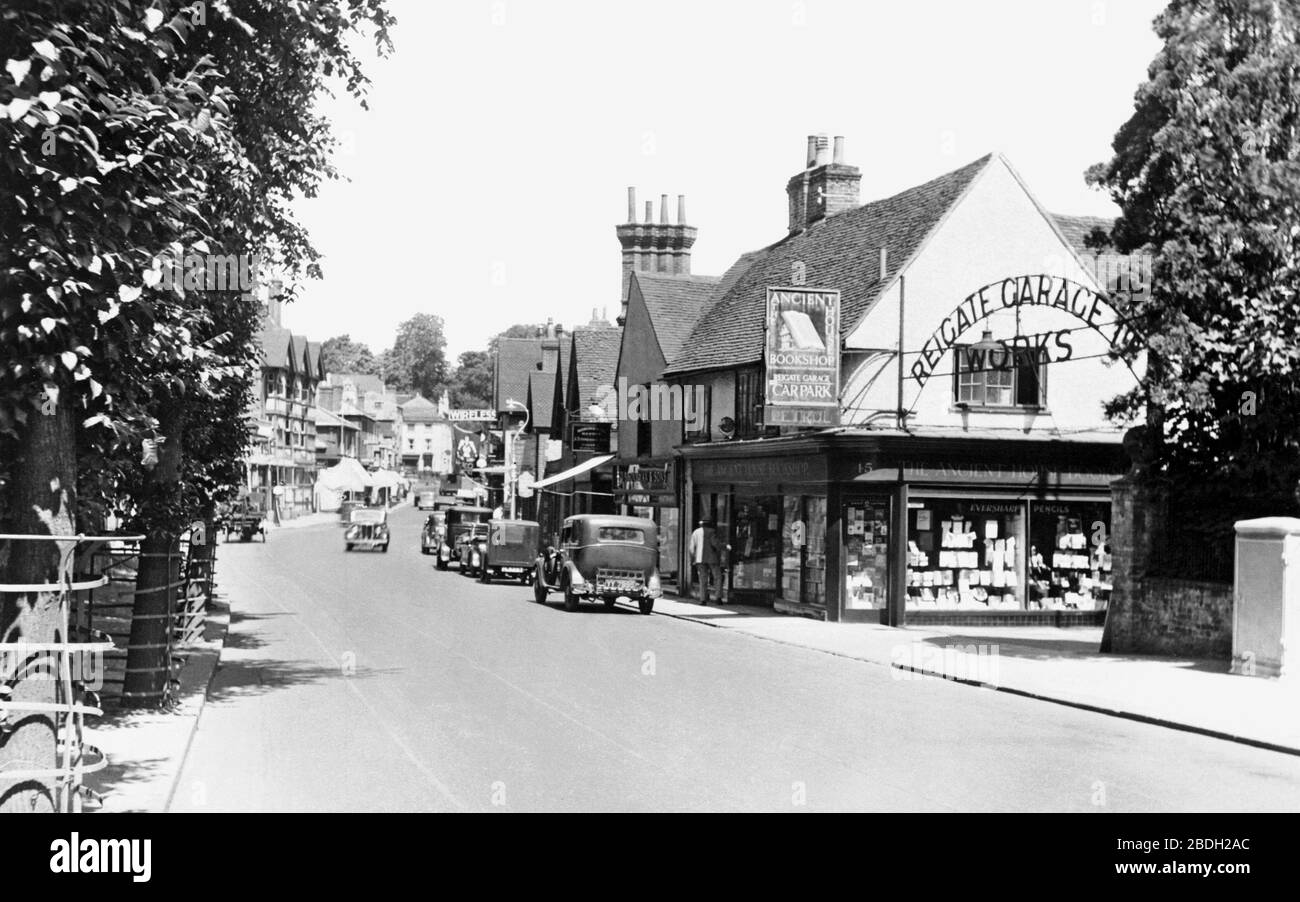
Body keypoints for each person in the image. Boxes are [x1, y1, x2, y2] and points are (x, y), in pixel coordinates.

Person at [689, 519, 723, 604]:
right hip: (712, 558)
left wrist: (692, 559)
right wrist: (725, 547)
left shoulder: (695, 532)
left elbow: (691, 548)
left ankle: (703, 599)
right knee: (717, 577)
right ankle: (718, 598)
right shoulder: (712, 531)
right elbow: (715, 543)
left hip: (699, 559)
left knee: (703, 579)